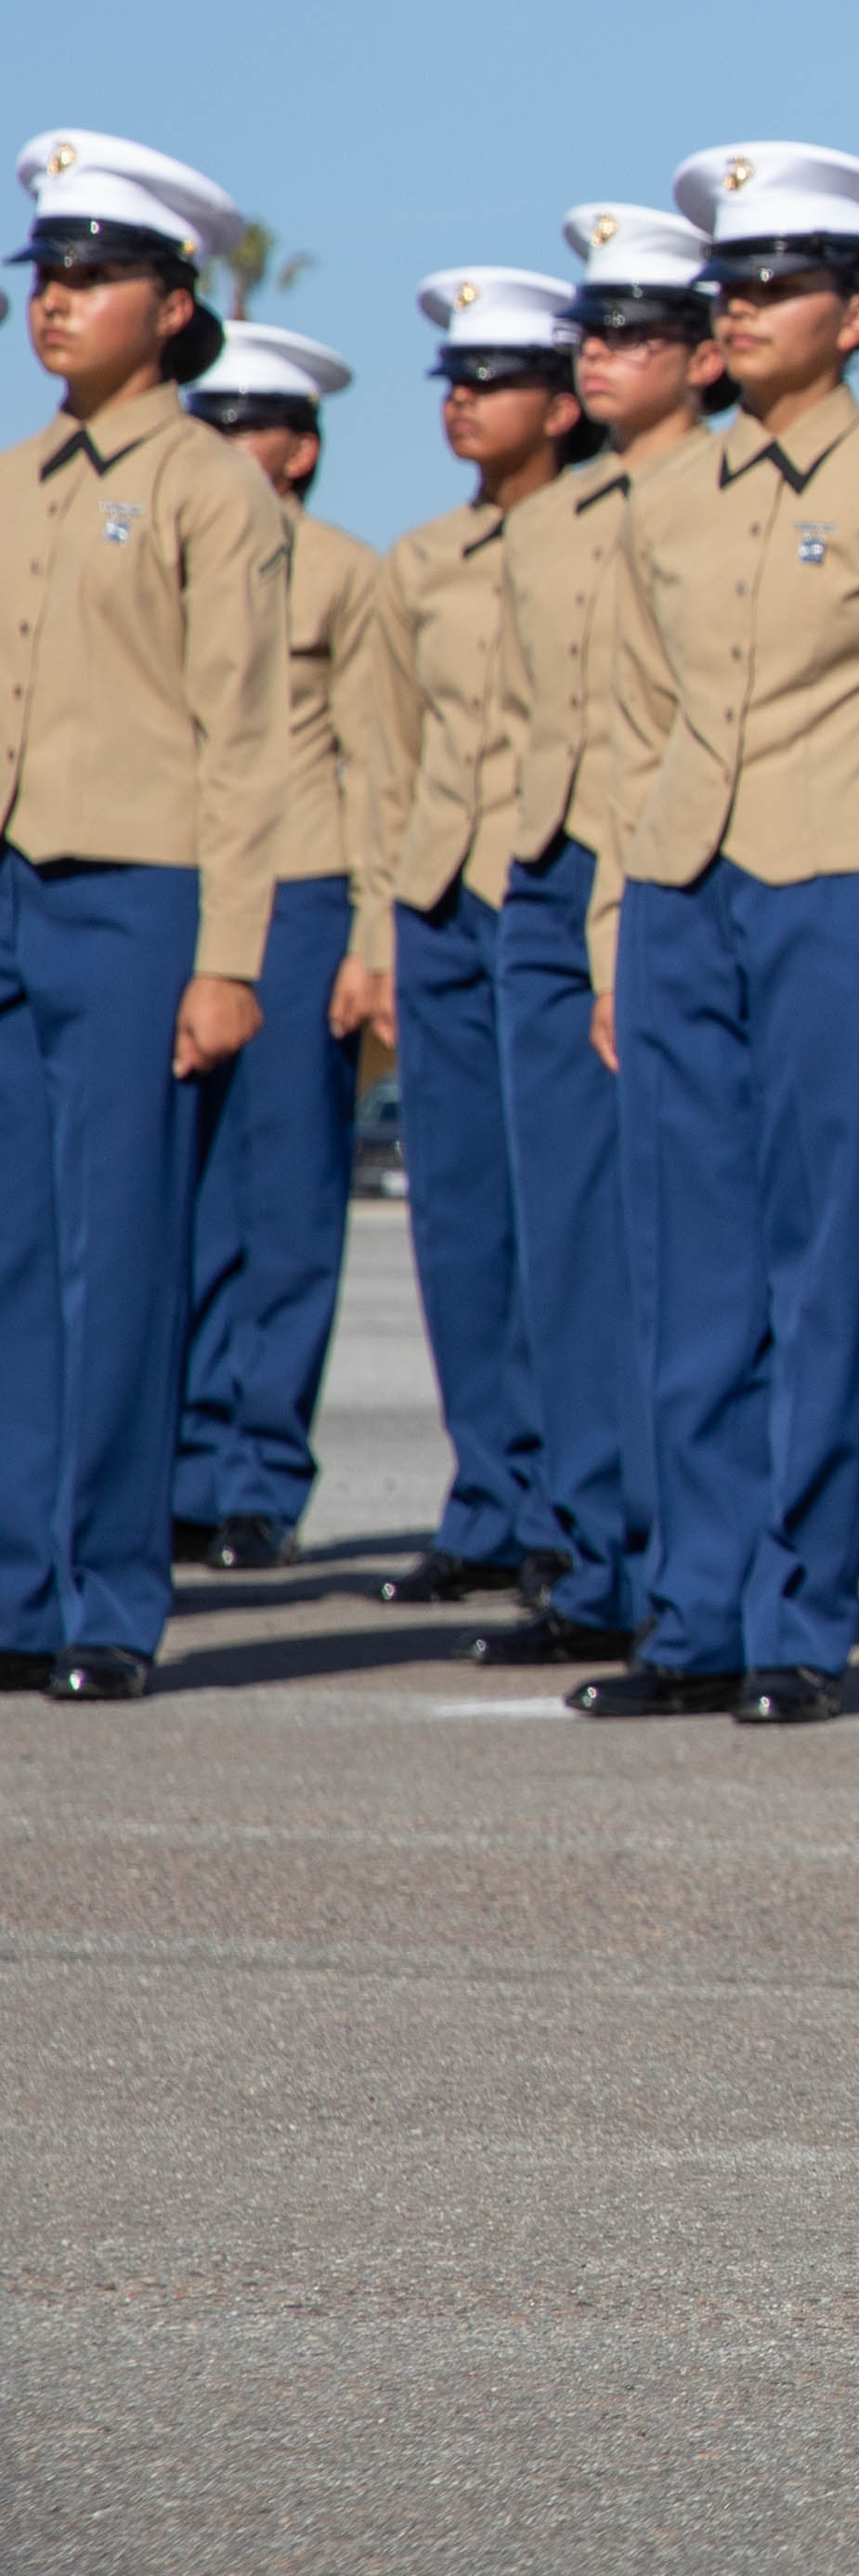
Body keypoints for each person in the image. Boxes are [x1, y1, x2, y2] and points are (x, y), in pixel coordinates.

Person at [579, 142, 859, 1728]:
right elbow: (632, 727)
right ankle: (694, 1612)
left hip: (852, 884)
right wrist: (619, 927)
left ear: (858, 312)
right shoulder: (662, 493)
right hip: (687, 897)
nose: (743, 308)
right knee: (687, 1265)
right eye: (730, 285)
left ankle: (797, 1619)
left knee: (825, 1259)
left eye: (774, 286)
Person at [0, 135, 289, 1699]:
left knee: (116, 1258)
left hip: (136, 903)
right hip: (10, 896)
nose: (56, 300)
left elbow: (245, 739)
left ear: (174, 307)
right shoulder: (15, 486)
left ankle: (105, 1599)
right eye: (42, 272)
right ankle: (11, 1585)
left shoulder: (207, 491)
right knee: (10, 1258)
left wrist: (230, 955)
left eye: (94, 275)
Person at [457, 200, 725, 1678]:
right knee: (561, 1234)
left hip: (665, 881)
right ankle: (596, 1542)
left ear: (702, 354)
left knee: (673, 1248)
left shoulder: (721, 502)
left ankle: (691, 1555)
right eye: (592, 334)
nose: (601, 355)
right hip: (542, 878)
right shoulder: (553, 519)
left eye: (632, 333)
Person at [357, 267, 587, 1612]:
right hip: (447, 895)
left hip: (551, 883)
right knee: (460, 1217)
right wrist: (388, 915)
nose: (461, 401)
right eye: (451, 379)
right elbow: (392, 753)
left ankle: (578, 1497)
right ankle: (488, 1494)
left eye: (492, 380)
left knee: (568, 1215)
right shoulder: (422, 561)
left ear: (561, 403)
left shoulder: (610, 534)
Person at [169, 322, 398, 1575]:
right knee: (177, 1199)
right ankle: (177, 1463)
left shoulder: (342, 574)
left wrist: (373, 932)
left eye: (246, 424)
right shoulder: (170, 555)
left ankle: (258, 1471)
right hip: (177, 883)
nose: (219, 444)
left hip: (303, 891)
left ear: (299, 449)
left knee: (290, 1197)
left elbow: (377, 763)